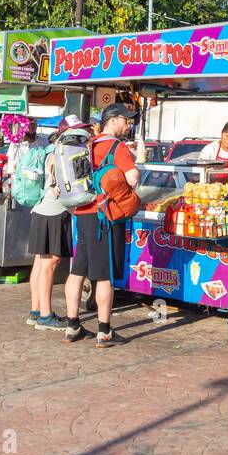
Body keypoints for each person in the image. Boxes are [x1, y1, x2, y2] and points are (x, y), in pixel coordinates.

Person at [63, 104, 140, 346]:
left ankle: (72, 325)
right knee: (104, 276)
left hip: (82, 212)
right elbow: (133, 179)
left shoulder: (88, 144)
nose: (129, 125)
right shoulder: (117, 147)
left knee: (77, 271)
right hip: (104, 217)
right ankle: (105, 331)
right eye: (126, 120)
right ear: (113, 120)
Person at [26, 142, 70, 332]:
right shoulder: (59, 152)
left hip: (40, 208)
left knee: (40, 262)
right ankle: (45, 315)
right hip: (53, 212)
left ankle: (36, 311)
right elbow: (57, 184)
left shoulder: (48, 150)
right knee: (49, 263)